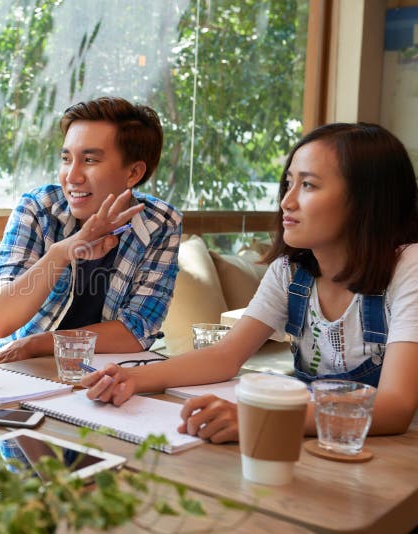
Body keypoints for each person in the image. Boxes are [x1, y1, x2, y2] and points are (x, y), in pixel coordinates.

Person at [83, 122, 418, 443]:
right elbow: (225, 355)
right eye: (289, 183)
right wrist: (131, 377)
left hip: (393, 458)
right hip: (318, 445)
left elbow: (395, 407)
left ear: (366, 201)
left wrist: (260, 418)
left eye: (310, 185)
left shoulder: (408, 267)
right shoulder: (289, 272)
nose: (287, 200)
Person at [0, 96, 182, 363]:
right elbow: (0, 321)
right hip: (16, 366)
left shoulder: (159, 224)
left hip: (98, 373)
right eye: (66, 159)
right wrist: (60, 253)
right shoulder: (38, 209)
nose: (72, 176)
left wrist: (39, 344)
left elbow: (136, 331)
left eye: (89, 160)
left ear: (133, 173)